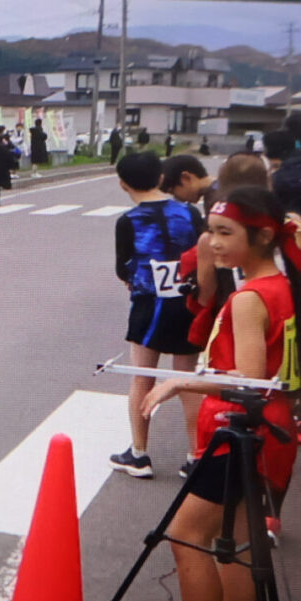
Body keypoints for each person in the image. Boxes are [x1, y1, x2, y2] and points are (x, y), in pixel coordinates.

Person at [133, 187, 299, 601]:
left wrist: (182, 382)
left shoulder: (251, 297)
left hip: (240, 433)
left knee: (187, 538)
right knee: (238, 548)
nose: (213, 243)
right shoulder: (284, 287)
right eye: (210, 230)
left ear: (264, 235)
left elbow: (251, 380)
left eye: (225, 233)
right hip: (272, 436)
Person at [109, 152, 203, 479]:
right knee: (188, 380)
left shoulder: (128, 221)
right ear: (161, 177)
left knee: (142, 376)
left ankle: (139, 454)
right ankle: (195, 455)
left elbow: (123, 267)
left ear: (123, 184)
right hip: (189, 302)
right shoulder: (190, 213)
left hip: (150, 305)